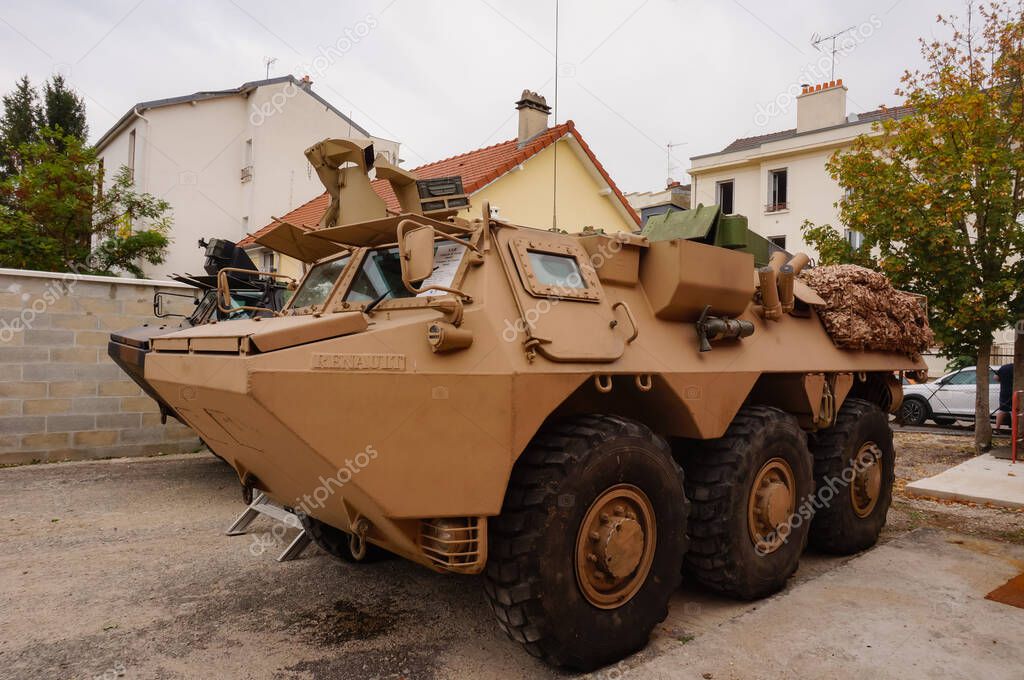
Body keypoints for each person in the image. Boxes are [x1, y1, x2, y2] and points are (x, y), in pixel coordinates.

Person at [994, 363, 1014, 433]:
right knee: (1014, 411)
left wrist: (1003, 381)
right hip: (1015, 392)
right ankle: (1015, 431)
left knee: (1002, 410)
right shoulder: (1019, 367)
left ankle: (997, 429)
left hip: (1004, 391)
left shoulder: (1004, 367)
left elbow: (995, 377)